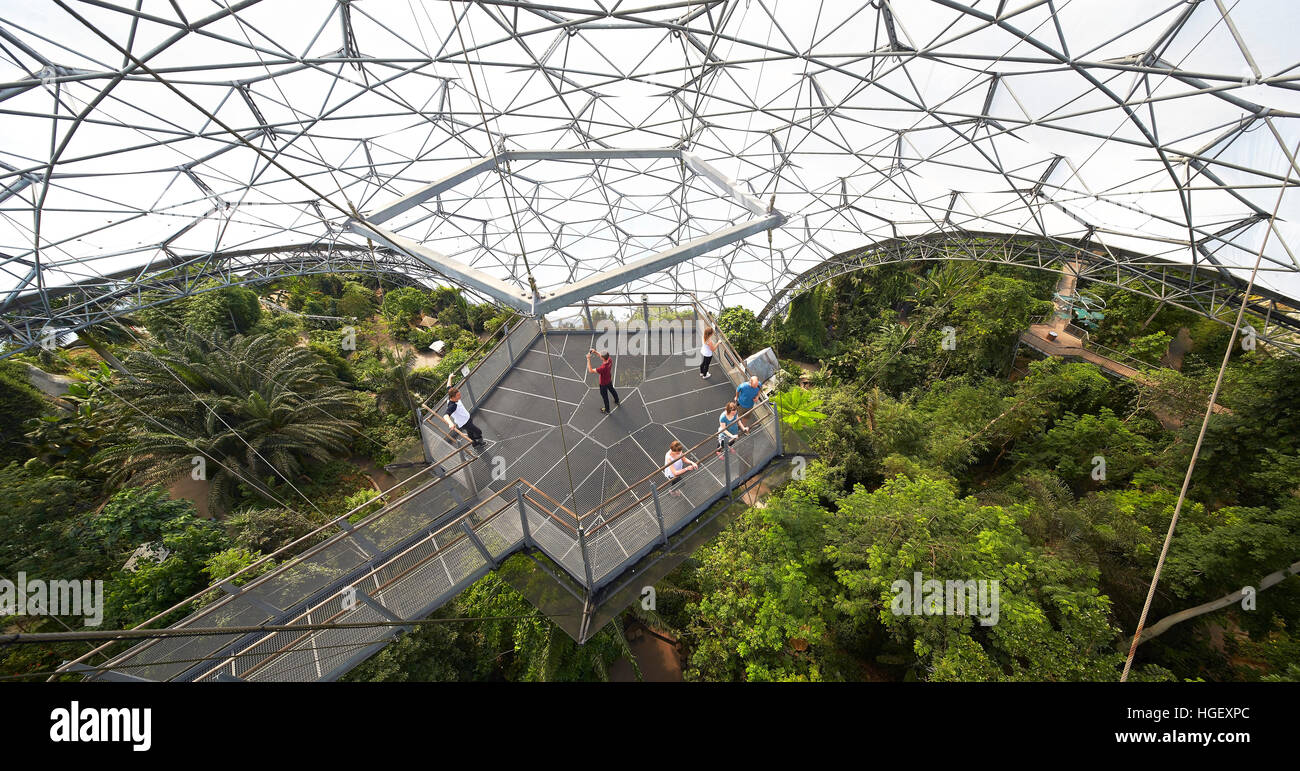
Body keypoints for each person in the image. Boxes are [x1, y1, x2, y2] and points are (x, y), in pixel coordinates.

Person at [586, 348, 620, 413]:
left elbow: (590, 370)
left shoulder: (602, 368)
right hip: (608, 379)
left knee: (605, 396)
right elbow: (602, 356)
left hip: (603, 384)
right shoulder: (609, 360)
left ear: (602, 358)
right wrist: (595, 352)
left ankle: (607, 410)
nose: (600, 356)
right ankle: (617, 400)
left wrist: (588, 359)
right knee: (612, 389)